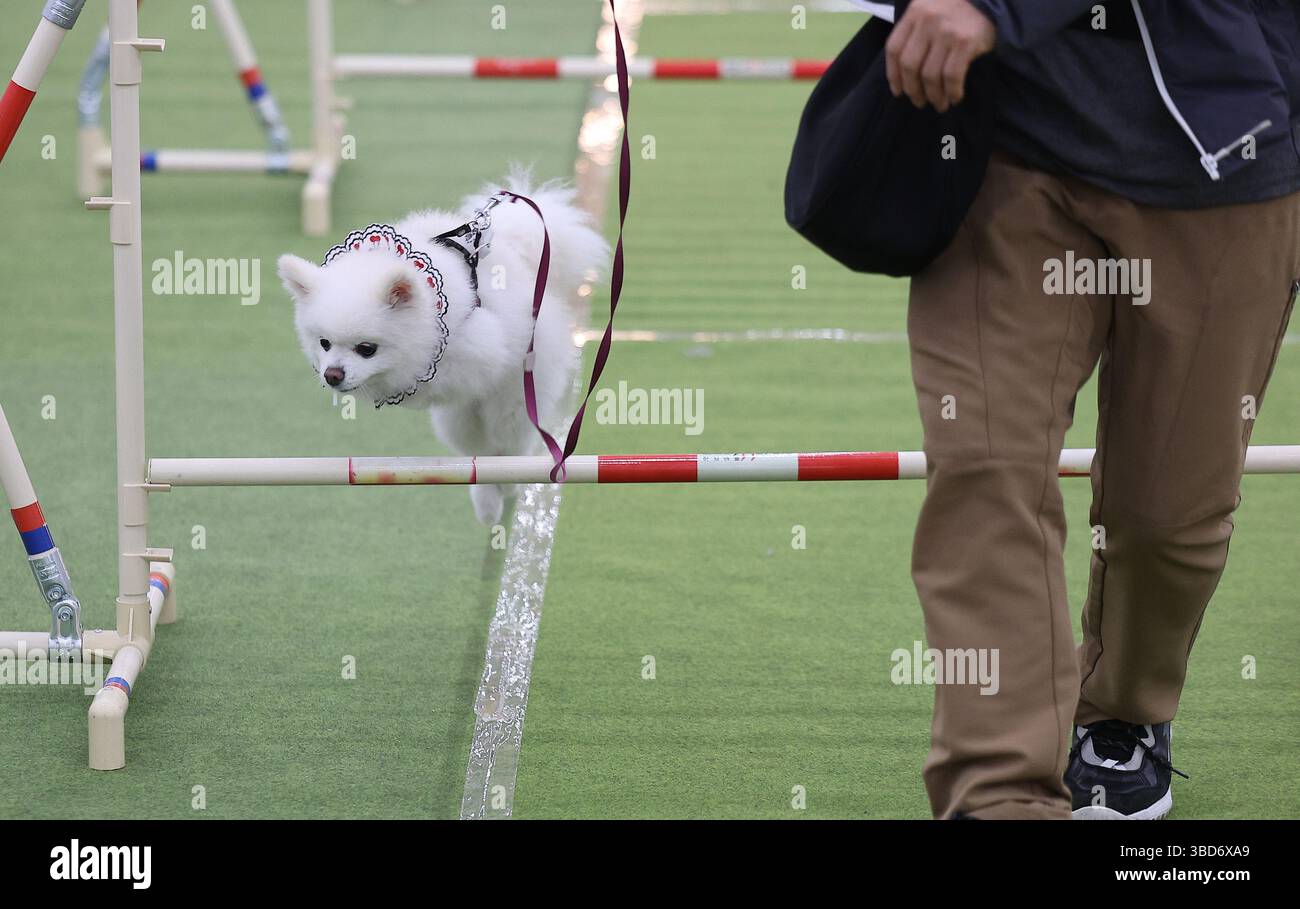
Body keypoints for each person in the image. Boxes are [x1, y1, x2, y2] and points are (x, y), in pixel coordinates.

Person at [886, 0, 1300, 819]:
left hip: (1224, 148)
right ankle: (998, 790)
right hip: (1001, 149)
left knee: (1168, 516)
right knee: (986, 470)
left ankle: (1123, 711)